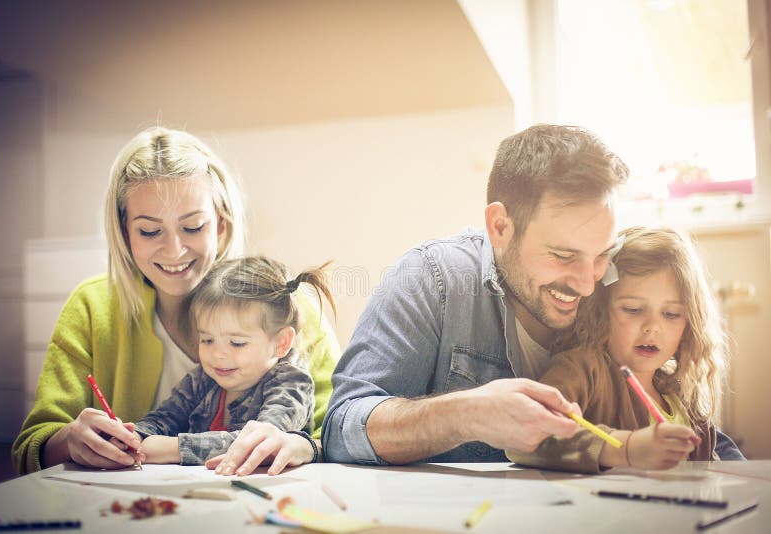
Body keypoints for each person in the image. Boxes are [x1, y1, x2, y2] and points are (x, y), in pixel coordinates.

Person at [12, 127, 340, 475]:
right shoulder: (91, 307)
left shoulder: (285, 304)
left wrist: (302, 444)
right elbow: (31, 446)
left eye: (194, 227)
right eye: (150, 231)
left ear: (221, 226)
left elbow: (343, 429)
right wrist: (70, 441)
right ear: (125, 235)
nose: (174, 251)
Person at [323, 124, 627, 464]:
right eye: (563, 256)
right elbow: (341, 428)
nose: (588, 284)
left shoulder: (620, 290)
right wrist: (466, 415)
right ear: (500, 226)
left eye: (603, 254)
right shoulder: (430, 278)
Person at [507, 226, 737, 473]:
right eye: (633, 310)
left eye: (671, 314)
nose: (652, 327)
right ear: (599, 310)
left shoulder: (685, 397)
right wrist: (626, 449)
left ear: (689, 323)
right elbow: (524, 436)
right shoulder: (584, 370)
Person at [122, 256, 335, 474]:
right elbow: (164, 418)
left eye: (237, 343)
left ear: (281, 343)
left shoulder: (291, 382)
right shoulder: (205, 377)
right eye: (207, 340)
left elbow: (261, 442)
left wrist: (176, 448)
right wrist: (133, 437)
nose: (218, 354)